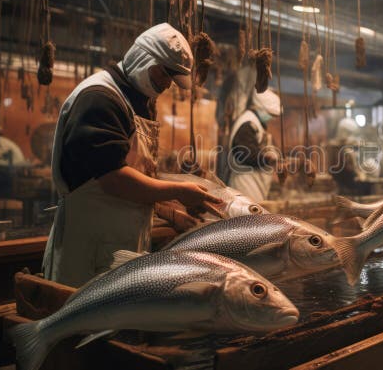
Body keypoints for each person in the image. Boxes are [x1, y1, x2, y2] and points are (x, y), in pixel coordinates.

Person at [43, 23, 223, 287]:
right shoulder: (101, 98)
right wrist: (177, 192)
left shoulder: (135, 101)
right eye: (164, 74)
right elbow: (112, 178)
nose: (165, 85)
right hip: (88, 246)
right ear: (144, 57)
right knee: (87, 324)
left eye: (171, 79)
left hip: (117, 242)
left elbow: (136, 174)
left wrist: (170, 214)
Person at [227, 89, 281, 202]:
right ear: (259, 108)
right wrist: (268, 158)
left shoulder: (256, 123)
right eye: (271, 115)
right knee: (248, 218)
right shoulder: (247, 124)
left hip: (254, 183)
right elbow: (244, 154)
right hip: (245, 184)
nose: (272, 118)